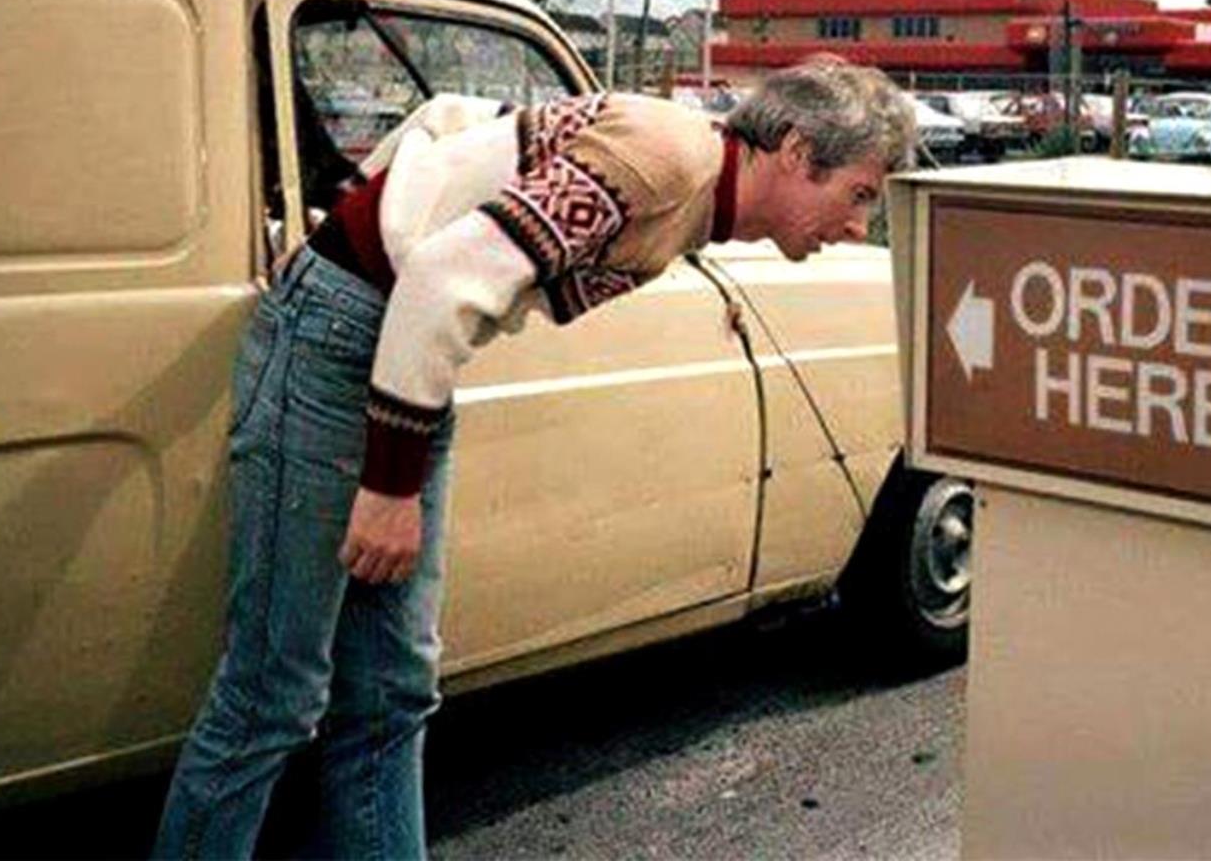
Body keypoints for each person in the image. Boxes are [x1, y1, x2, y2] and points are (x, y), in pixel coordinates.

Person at [154, 57, 914, 859]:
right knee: (272, 696)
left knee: (391, 693)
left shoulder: (685, 168)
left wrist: (381, 210)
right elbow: (443, 279)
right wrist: (390, 484)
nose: (859, 226)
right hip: (347, 342)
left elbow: (449, 120)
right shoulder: (669, 158)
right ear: (795, 152)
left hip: (396, 350)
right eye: (860, 194)